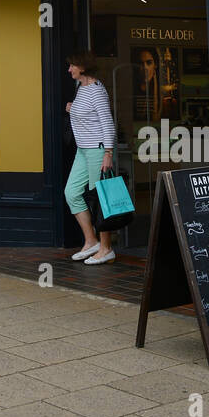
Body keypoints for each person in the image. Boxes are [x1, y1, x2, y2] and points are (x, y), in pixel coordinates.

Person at [64, 50, 117, 265]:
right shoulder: (81, 87)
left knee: (101, 199)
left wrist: (108, 153)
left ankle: (106, 248)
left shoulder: (96, 91)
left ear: (83, 68)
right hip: (83, 150)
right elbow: (86, 114)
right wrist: (72, 109)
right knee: (71, 193)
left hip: (98, 150)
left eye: (72, 65)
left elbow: (107, 123)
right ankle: (91, 241)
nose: (69, 69)